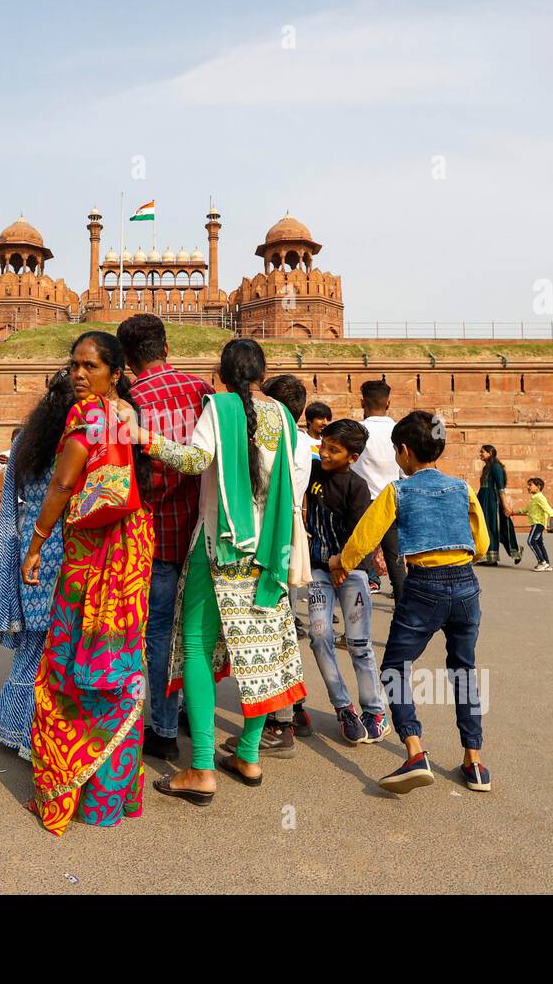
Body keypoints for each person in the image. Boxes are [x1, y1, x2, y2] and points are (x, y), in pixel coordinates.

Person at [123, 337, 308, 806]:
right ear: (263, 375)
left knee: (198, 646)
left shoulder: (220, 406)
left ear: (221, 374)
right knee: (261, 650)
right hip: (269, 552)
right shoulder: (284, 417)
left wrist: (147, 438)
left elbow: (195, 461)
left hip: (220, 548)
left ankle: (201, 767)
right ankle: (247, 754)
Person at [20, 331, 154, 835]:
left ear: (113, 373)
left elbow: (61, 484)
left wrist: (35, 543)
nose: (79, 374)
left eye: (91, 366)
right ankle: (108, 802)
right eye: (74, 364)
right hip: (130, 546)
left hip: (94, 552)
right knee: (119, 664)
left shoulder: (85, 417)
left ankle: (67, 788)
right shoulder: (126, 415)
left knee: (70, 663)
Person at [330, 411, 493, 794]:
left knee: (395, 667)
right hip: (467, 586)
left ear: (403, 451)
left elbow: (364, 537)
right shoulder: (462, 488)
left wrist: (342, 562)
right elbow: (481, 544)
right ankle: (475, 762)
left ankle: (415, 750)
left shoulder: (397, 491)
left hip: (424, 589)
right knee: (464, 670)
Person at [117, 313, 214, 763]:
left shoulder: (128, 401)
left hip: (154, 533)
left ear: (127, 359)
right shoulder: (205, 392)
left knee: (157, 631)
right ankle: (197, 715)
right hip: (205, 532)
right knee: (196, 632)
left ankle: (162, 727)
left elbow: (125, 472)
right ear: (167, 347)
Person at [0, 371, 73, 760]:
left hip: (31, 548)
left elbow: (9, 507)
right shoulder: (77, 440)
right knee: (60, 646)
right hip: (64, 547)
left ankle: (12, 728)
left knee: (33, 641)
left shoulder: (25, 441)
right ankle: (37, 737)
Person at [302, 419, 389, 744]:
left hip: (351, 572)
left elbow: (358, 537)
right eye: (323, 445)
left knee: (358, 645)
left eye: (333, 450)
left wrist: (342, 565)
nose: (324, 453)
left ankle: (374, 710)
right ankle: (343, 706)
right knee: (319, 635)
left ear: (352, 457)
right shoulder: (313, 473)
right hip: (321, 570)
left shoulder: (357, 487)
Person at [261, 373, 318, 749]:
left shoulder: (276, 440)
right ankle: (294, 707)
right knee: (281, 621)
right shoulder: (305, 443)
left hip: (271, 534)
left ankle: (281, 722)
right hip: (290, 533)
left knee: (271, 625)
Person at [351, 379, 405, 600]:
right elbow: (405, 471)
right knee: (396, 562)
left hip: (363, 503)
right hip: (392, 500)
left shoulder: (358, 431)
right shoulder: (398, 431)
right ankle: (404, 610)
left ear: (363, 402)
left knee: (360, 560)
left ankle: (357, 614)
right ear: (388, 403)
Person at [477, 444, 523, 565]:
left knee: (493, 527)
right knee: (485, 527)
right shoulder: (486, 468)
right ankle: (487, 556)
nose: (480, 454)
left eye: (482, 452)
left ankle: (495, 556)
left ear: (490, 453)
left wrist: (505, 505)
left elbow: (501, 488)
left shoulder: (496, 467)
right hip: (484, 501)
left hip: (493, 502)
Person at [522, 477, 553, 571]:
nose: (528, 487)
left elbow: (548, 509)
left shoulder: (539, 498)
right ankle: (547, 564)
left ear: (538, 487)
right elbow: (527, 509)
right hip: (537, 524)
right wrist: (514, 512)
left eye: (530, 485)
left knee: (531, 541)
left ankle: (542, 562)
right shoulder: (534, 498)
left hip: (538, 523)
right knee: (539, 543)